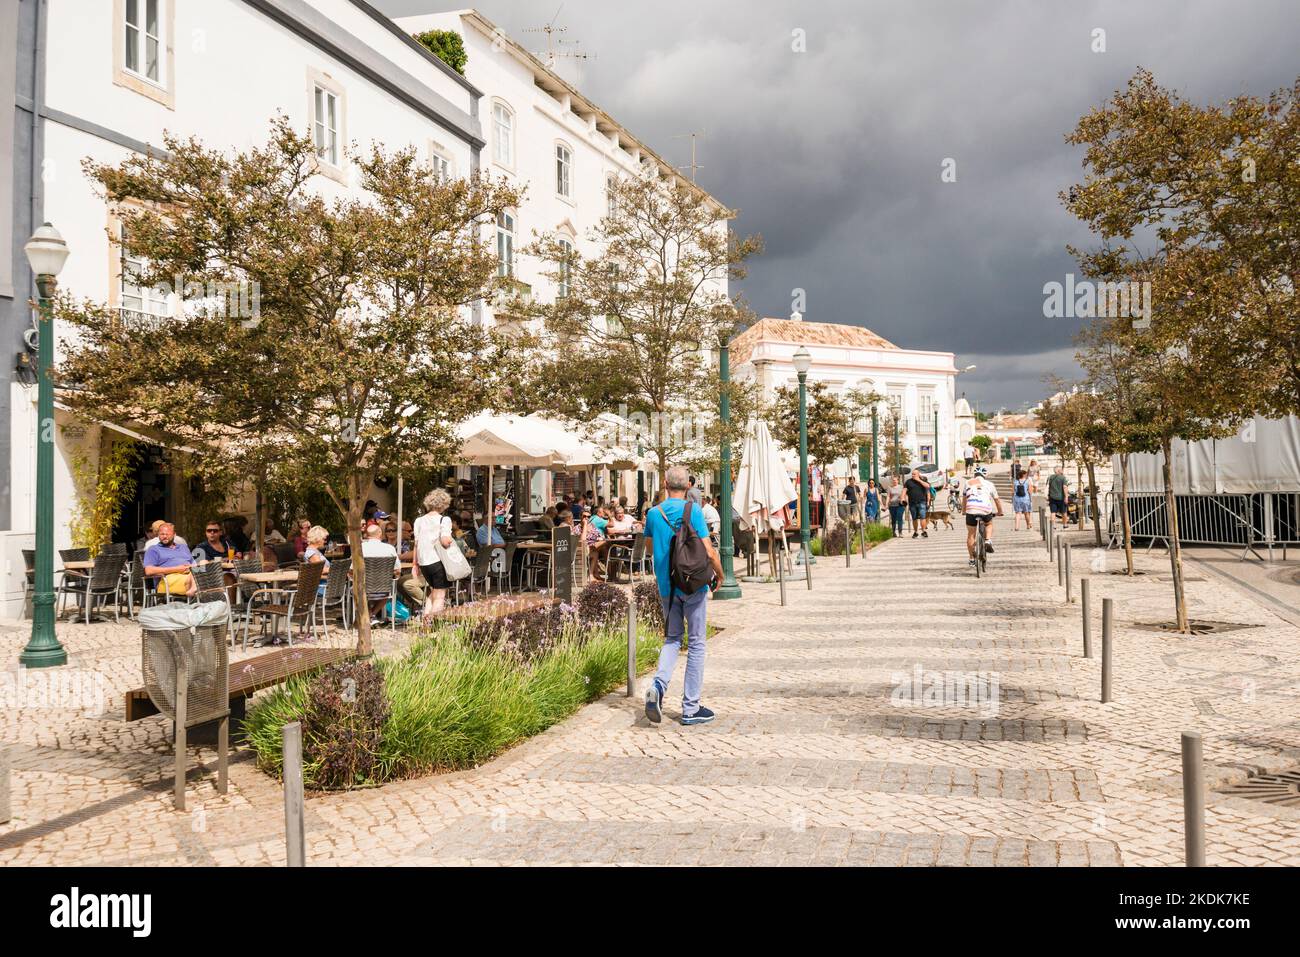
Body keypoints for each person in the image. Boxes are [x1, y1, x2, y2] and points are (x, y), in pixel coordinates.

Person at [643, 466, 724, 727]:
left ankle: (658, 684)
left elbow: (649, 548)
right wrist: (719, 574)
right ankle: (690, 708)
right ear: (688, 485)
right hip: (693, 585)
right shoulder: (694, 511)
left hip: (667, 587)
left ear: (665, 484)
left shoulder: (653, 514)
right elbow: (708, 550)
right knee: (697, 642)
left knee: (672, 638)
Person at [412, 489, 455, 622]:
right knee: (440, 595)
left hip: (424, 563)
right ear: (443, 505)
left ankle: (426, 623)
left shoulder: (419, 521)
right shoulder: (444, 520)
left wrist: (415, 564)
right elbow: (445, 541)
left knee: (433, 593)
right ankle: (434, 626)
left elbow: (416, 544)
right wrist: (451, 540)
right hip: (438, 562)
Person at [360, 522, 400, 627]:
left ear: (367, 535)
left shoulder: (360, 548)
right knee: (388, 590)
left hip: (364, 587)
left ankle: (368, 614)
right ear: (380, 533)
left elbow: (351, 569)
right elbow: (397, 570)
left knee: (357, 589)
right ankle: (372, 614)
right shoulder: (390, 549)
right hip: (384, 589)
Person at [962, 465, 1003, 566]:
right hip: (984, 508)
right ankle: (988, 540)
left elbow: (964, 498)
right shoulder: (989, 484)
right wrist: (1000, 512)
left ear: (975, 475)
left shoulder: (967, 482)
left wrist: (964, 510)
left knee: (971, 534)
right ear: (985, 475)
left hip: (971, 509)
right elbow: (997, 500)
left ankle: (971, 559)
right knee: (988, 524)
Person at [143, 523, 196, 598]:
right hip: (167, 580)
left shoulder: (183, 547)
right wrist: (177, 569)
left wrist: (192, 566)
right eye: (162, 534)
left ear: (174, 535)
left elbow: (194, 564)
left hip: (189, 575)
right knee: (199, 579)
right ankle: (194, 589)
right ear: (158, 535)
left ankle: (195, 588)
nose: (165, 536)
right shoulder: (153, 549)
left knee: (204, 564)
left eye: (167, 534)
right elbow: (148, 571)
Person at [903, 468, 931, 539]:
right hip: (912, 503)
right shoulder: (908, 482)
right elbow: (904, 490)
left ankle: (924, 531)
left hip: (921, 501)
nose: (913, 475)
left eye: (914, 474)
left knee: (922, 517)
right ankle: (915, 532)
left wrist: (918, 480)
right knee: (914, 518)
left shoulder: (923, 480)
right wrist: (902, 498)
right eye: (912, 474)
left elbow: (927, 486)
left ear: (918, 474)